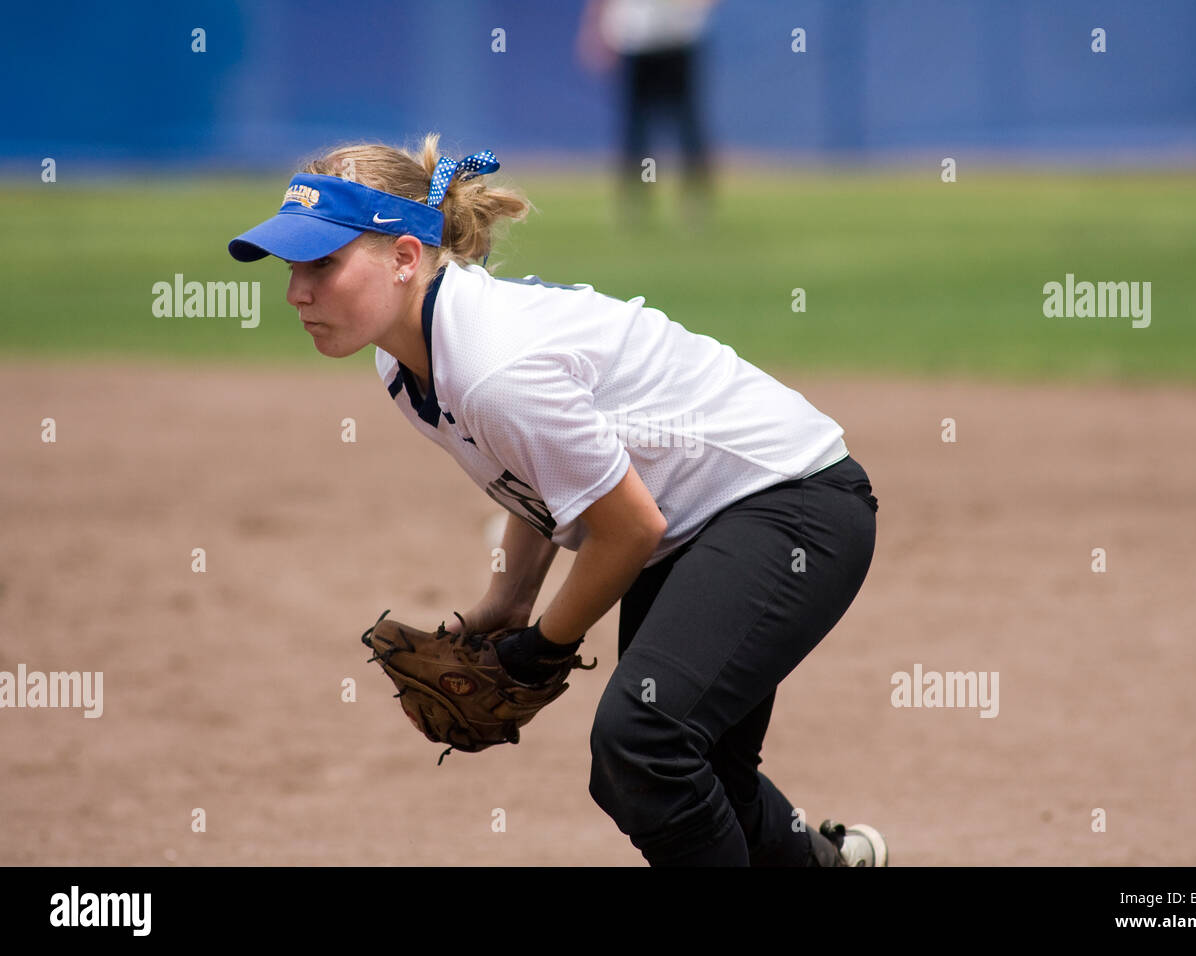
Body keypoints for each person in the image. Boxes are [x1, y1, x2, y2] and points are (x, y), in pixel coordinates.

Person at [227, 134, 887, 867]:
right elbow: (541, 477)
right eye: (293, 268)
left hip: (790, 503)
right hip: (707, 519)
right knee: (685, 766)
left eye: (323, 264)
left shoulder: (488, 367)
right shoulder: (406, 360)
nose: (297, 293)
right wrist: (507, 602)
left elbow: (630, 528)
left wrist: (540, 648)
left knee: (645, 746)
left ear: (406, 258)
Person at [577, 0, 718, 226]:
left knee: (685, 124)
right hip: (637, 39)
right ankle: (635, 198)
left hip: (678, 38)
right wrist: (596, 27)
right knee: (637, 127)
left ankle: (694, 198)